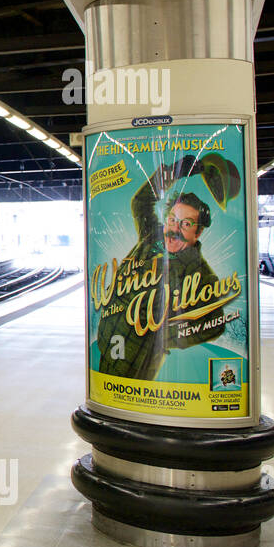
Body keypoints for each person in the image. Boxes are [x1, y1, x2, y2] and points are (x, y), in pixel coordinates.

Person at [96, 156, 227, 381]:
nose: (174, 229)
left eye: (186, 224)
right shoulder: (151, 236)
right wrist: (172, 173)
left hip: (137, 363)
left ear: (198, 232)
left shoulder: (200, 272)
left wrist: (163, 334)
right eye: (172, 220)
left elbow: (215, 323)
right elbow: (140, 202)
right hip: (109, 341)